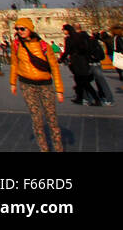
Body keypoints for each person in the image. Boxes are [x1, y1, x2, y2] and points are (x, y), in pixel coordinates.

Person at [11, 17, 63, 152]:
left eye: (22, 29)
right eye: (17, 29)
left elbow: (54, 67)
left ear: (30, 29)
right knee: (37, 119)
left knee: (52, 119)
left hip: (45, 84)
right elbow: (14, 63)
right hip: (27, 84)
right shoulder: (16, 44)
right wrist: (13, 82)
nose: (19, 31)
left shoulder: (44, 46)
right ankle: (44, 149)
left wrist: (59, 90)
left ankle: (58, 148)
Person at [62, 25, 103, 106]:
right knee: (79, 81)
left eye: (64, 30)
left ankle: (96, 99)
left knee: (84, 82)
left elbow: (67, 51)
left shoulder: (69, 39)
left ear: (67, 30)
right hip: (83, 60)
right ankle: (79, 98)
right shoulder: (79, 37)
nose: (63, 31)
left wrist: (61, 59)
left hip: (76, 61)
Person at [87, 30, 115, 105]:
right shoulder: (99, 41)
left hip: (92, 64)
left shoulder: (91, 41)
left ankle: (92, 98)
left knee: (86, 81)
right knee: (100, 81)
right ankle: (104, 96)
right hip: (98, 62)